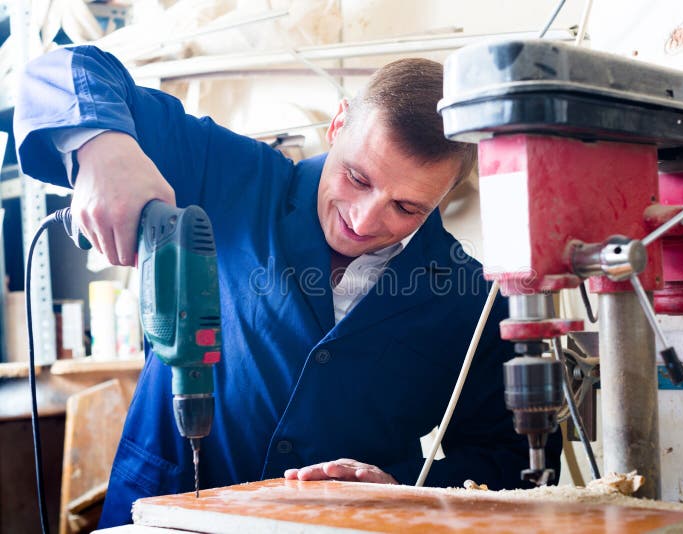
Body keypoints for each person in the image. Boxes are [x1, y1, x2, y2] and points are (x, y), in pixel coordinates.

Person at [14, 45, 562, 527]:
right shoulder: (228, 173)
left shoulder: (473, 300)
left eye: (406, 206)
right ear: (338, 124)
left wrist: (404, 487)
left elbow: (514, 459)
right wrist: (104, 151)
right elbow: (60, 71)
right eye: (357, 177)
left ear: (447, 193)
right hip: (158, 508)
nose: (365, 219)